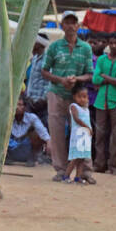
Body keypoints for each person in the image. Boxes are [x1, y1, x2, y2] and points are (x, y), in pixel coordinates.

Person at [43, 12, 95, 182]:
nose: (71, 26)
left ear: (78, 26)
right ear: (62, 26)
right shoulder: (54, 47)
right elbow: (44, 71)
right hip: (57, 94)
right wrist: (60, 80)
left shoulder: (86, 48)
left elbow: (89, 74)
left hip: (77, 97)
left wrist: (75, 79)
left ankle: (86, 171)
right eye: (68, 23)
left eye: (74, 23)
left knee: (82, 132)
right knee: (57, 133)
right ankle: (60, 169)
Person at [92, 32, 116, 174]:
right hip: (101, 101)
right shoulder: (102, 59)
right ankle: (99, 164)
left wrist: (104, 77)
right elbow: (95, 79)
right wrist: (110, 79)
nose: (113, 46)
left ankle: (114, 165)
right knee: (100, 134)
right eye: (111, 43)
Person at [6, 97, 50, 167]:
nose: (17, 107)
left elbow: (42, 131)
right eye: (16, 104)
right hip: (10, 148)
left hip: (27, 148)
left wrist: (48, 141)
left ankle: (32, 158)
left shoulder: (32, 117)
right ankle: (5, 157)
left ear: (25, 108)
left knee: (36, 134)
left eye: (20, 105)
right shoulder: (7, 117)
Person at [66, 82, 94, 184]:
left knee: (82, 158)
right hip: (78, 135)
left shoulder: (86, 109)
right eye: (79, 97)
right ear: (74, 97)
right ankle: (66, 175)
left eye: (85, 97)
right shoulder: (73, 106)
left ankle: (77, 177)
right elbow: (77, 119)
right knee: (75, 158)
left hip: (85, 136)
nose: (82, 99)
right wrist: (87, 127)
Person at [24, 38, 51, 124]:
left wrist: (43, 99)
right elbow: (31, 80)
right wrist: (28, 96)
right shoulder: (34, 58)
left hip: (41, 103)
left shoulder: (48, 60)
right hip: (31, 101)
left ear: (39, 44)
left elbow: (50, 81)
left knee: (42, 128)